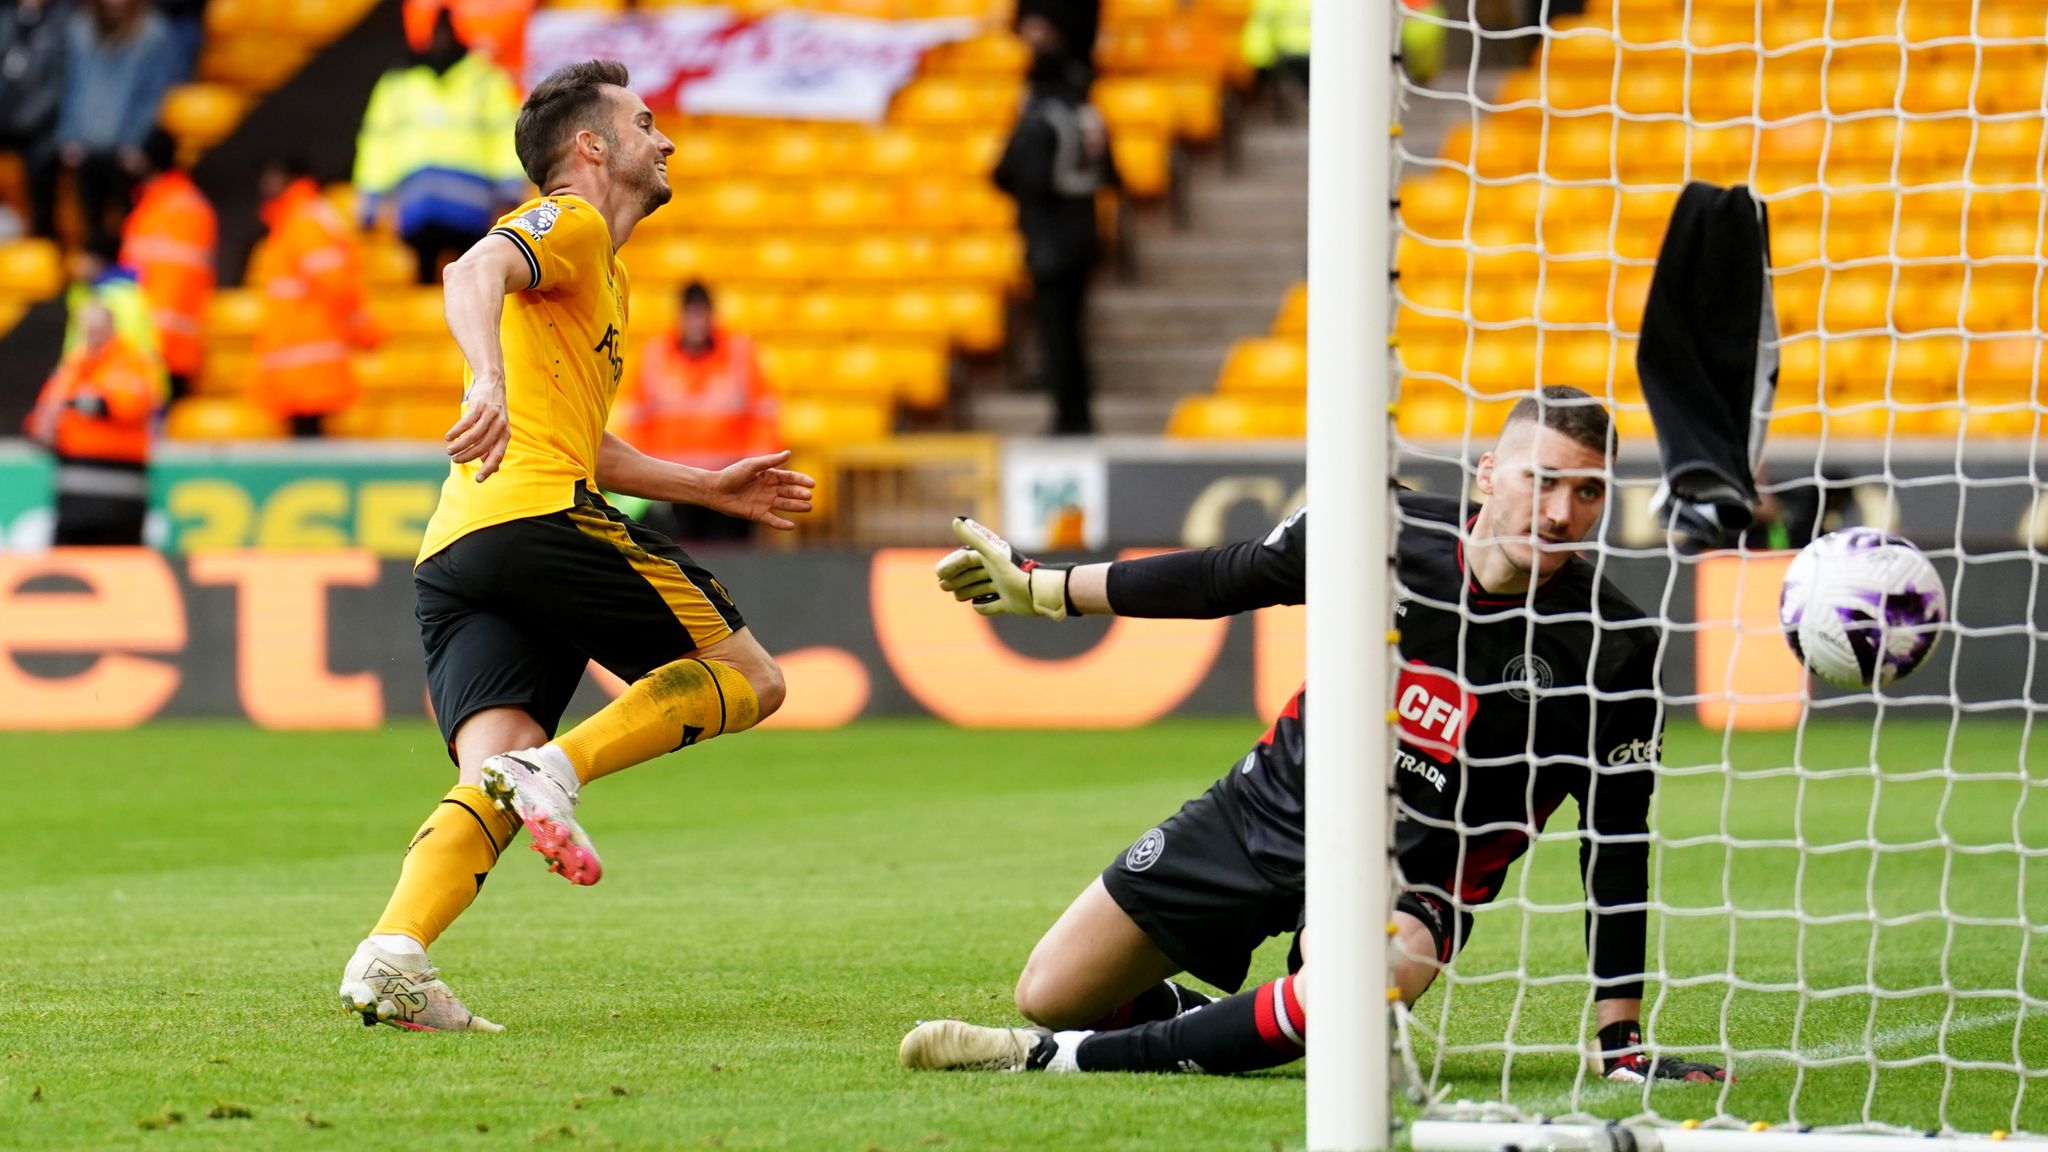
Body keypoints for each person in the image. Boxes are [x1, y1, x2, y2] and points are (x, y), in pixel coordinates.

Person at [899, 387, 1726, 1084]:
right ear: (1488, 473)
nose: (1560, 512)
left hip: (1413, 878)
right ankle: (1232, 1023)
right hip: (1269, 808)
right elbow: (1226, 575)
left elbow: (1616, 842)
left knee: (1370, 977)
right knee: (1051, 987)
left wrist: (1621, 1041)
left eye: (1587, 492)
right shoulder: (1383, 534)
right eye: (1541, 481)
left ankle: (1063, 1061)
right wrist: (1048, 590)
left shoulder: (1613, 642)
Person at [336, 59, 817, 1033]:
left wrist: (702, 482)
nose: (665, 137)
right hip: (536, 516)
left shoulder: (605, 272)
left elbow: (581, 435)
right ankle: (561, 769)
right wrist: (481, 380)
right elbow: (470, 268)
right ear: (591, 147)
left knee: (488, 778)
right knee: (752, 679)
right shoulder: (575, 221)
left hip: (459, 549)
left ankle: (392, 953)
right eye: (644, 123)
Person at [994, 43, 1116, 437]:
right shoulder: (1090, 119)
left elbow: (1009, 174)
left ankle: (1069, 418)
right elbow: (1114, 175)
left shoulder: (1042, 121)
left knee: (1057, 333)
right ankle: (1080, 412)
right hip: (1086, 233)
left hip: (1050, 240)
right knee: (1074, 330)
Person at [354, 6, 526, 285]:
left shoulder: (486, 79)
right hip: (415, 204)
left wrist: (510, 184)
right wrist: (370, 195)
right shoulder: (398, 83)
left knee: (472, 276)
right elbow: (377, 140)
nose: (441, 39)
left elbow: (504, 134)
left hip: (472, 203)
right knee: (424, 276)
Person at [612, 280, 778, 542]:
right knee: (682, 557)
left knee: (730, 556)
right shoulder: (656, 356)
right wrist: (645, 477)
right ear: (681, 315)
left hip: (729, 478)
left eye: (702, 313)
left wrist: (757, 470)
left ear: (711, 314)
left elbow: (765, 415)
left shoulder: (738, 353)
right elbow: (636, 420)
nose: (697, 321)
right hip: (674, 482)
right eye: (691, 313)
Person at [249, 159, 380, 437]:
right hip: (297, 357)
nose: (266, 185)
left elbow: (336, 284)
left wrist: (361, 329)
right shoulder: (296, 219)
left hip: (309, 357)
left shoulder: (305, 220)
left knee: (309, 438)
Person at [25, 299, 157, 545]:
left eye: (97, 327)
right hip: (74, 490)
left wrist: (85, 403)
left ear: (112, 327)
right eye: (87, 328)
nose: (92, 334)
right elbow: (48, 409)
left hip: (119, 490)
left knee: (120, 561)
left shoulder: (130, 360)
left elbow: (130, 402)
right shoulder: (73, 365)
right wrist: (42, 428)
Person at [55, 0, 178, 251]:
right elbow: (72, 85)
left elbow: (152, 93)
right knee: (90, 225)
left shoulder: (153, 33)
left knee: (130, 223)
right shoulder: (80, 28)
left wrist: (135, 140)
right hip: (86, 144)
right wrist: (69, 133)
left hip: (126, 150)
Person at [118, 125, 214, 400]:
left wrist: (154, 345)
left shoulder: (182, 208)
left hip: (166, 348)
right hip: (144, 342)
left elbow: (176, 284)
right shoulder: (153, 205)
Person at [0, 0, 71, 240]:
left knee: (43, 161)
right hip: (4, 116)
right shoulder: (8, 16)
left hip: (39, 126)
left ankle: (43, 240)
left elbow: (58, 84)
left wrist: (22, 121)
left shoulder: (64, 21)